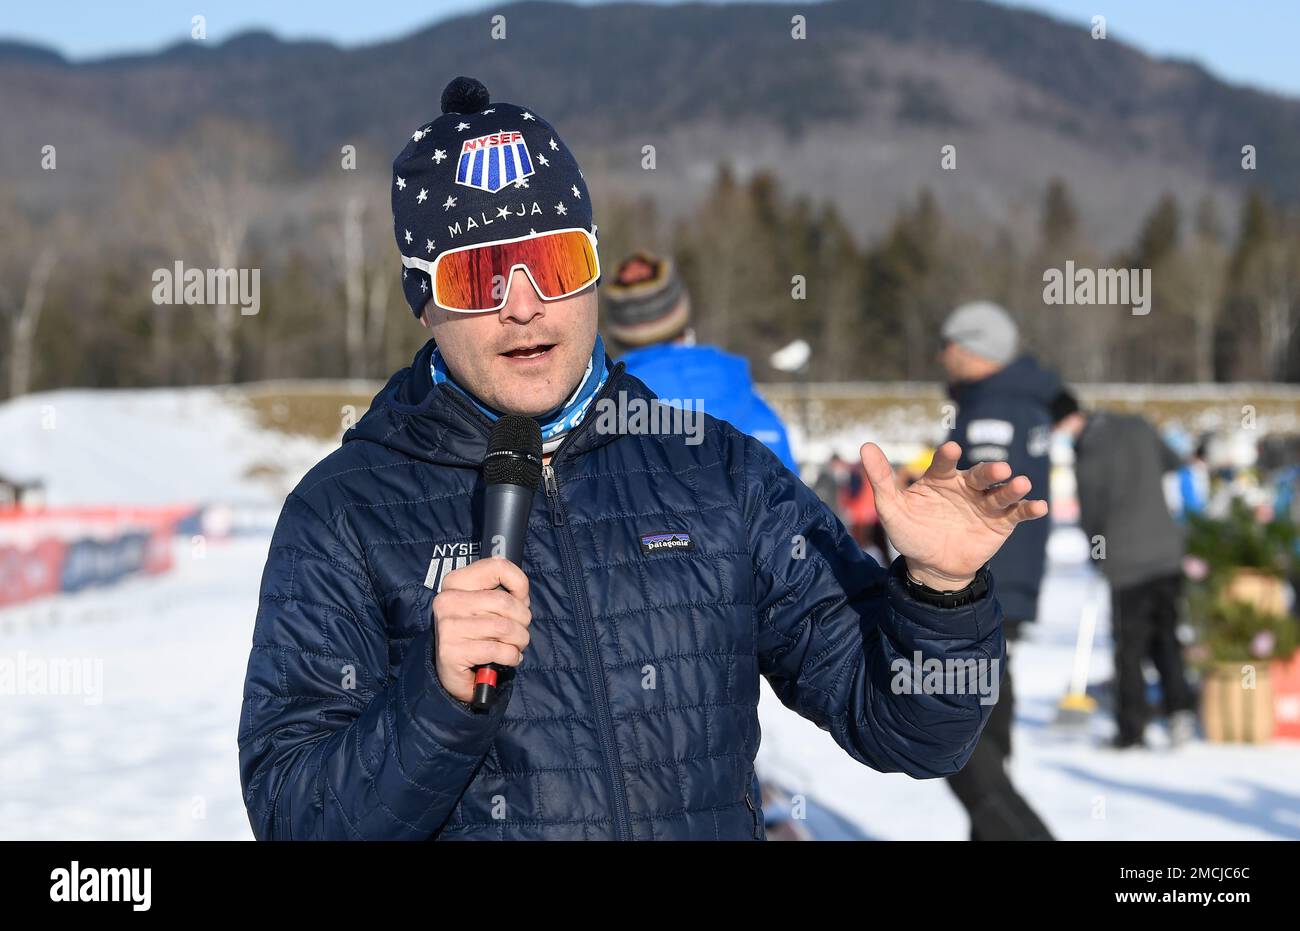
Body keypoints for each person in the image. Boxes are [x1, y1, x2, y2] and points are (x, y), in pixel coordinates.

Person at [237, 76, 1048, 841]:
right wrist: (435, 697)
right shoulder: (342, 512)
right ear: (424, 300)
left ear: (591, 271)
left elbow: (911, 731)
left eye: (556, 263)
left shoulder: (717, 472)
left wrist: (940, 594)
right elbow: (294, 816)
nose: (524, 305)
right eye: (479, 276)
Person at [937, 300, 1056, 841]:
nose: (942, 356)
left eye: (948, 345)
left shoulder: (994, 406)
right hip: (1010, 580)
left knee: (952, 732)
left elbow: (982, 499)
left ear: (969, 349)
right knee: (988, 724)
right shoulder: (1024, 397)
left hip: (981, 582)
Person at [1051, 391, 1197, 749]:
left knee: (1128, 646)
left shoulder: (1087, 451)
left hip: (1126, 561)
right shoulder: (1137, 425)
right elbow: (1174, 461)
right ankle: (1178, 712)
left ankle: (1132, 728)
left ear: (1067, 421)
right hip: (1166, 550)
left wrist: (1097, 554)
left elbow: (1091, 515)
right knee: (1167, 635)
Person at [603, 250, 798, 473]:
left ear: (619, 329)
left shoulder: (603, 417)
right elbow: (797, 503)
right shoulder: (759, 413)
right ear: (681, 312)